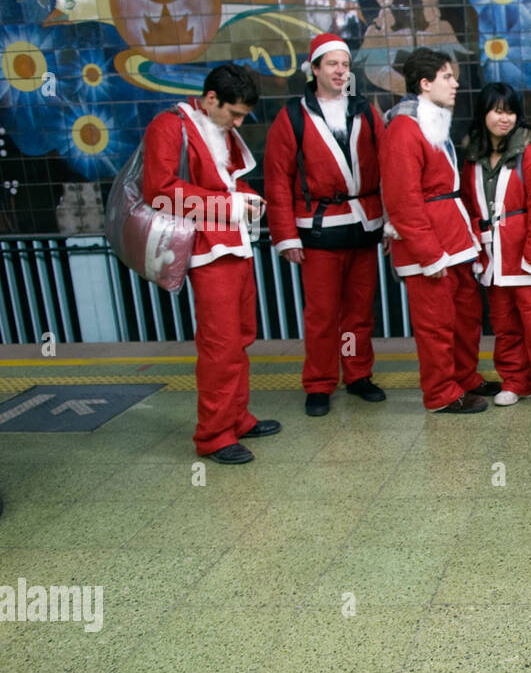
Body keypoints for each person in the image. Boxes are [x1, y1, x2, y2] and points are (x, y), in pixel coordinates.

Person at [141, 63, 279, 464]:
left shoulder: (217, 127)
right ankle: (214, 435)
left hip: (235, 244)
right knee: (219, 346)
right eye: (233, 114)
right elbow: (160, 192)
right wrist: (232, 205)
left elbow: (226, 181)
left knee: (240, 338)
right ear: (211, 98)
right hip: (205, 250)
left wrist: (246, 198)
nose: (238, 122)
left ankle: (236, 417)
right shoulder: (169, 127)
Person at [264, 33, 387, 418]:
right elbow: (277, 181)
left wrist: (394, 223)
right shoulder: (292, 117)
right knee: (321, 315)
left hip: (364, 225)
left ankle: (356, 374)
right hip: (317, 229)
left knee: (358, 312)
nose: (340, 71)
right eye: (332, 64)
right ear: (314, 69)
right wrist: (285, 236)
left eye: (345, 64)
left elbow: (391, 169)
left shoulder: (366, 112)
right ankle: (318, 383)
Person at [379, 48, 499, 414]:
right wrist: (428, 254)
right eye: (447, 77)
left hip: (452, 236)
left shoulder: (431, 121)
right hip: (429, 244)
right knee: (436, 324)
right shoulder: (403, 129)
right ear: (425, 83)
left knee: (464, 315)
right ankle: (441, 393)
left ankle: (464, 376)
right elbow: (403, 200)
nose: (455, 83)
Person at [460, 82, 531, 412]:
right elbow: (469, 207)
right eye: (497, 111)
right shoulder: (472, 158)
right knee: (506, 329)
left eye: (510, 111)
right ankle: (516, 382)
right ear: (484, 114)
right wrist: (479, 254)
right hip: (494, 260)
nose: (505, 118)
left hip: (529, 259)